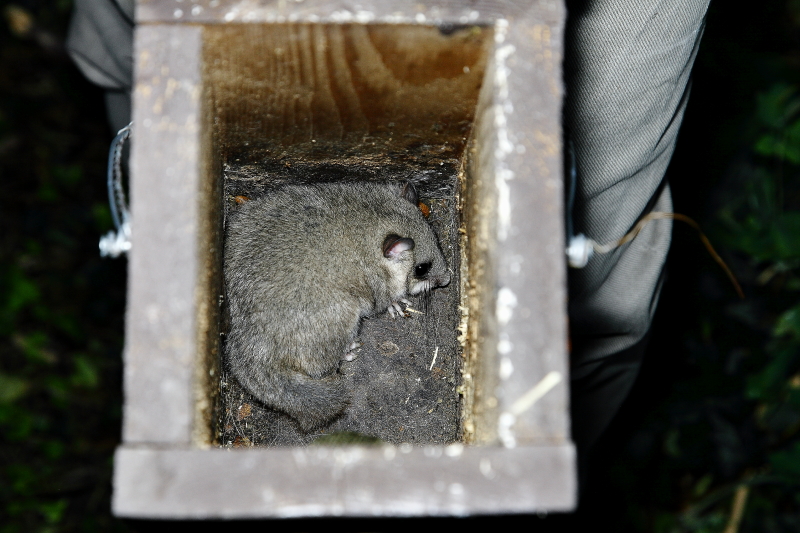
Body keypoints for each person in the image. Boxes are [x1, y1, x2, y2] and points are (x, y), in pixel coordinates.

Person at [66, 0, 711, 495]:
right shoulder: (380, 259)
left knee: (602, 261)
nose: (420, 277)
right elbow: (374, 285)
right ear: (395, 251)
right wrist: (396, 292)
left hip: (291, 260)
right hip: (302, 289)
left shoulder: (380, 219)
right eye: (414, 266)